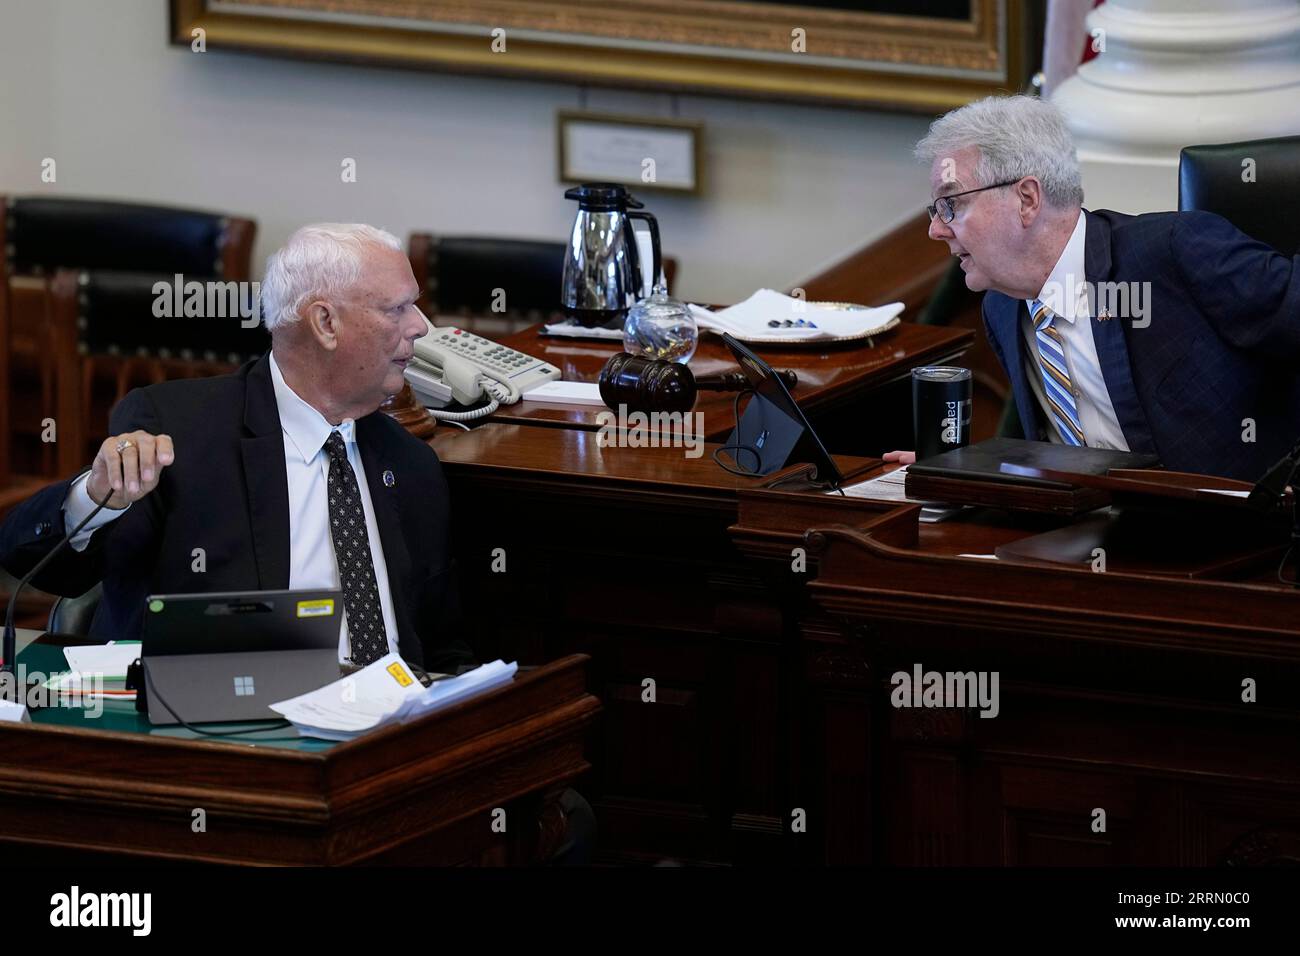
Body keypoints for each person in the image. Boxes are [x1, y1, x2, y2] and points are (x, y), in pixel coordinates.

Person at [0, 222, 594, 863]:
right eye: (398, 309)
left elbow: (440, 642)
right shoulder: (179, 430)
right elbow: (32, 564)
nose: (422, 328)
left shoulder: (412, 467)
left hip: (388, 748)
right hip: (241, 749)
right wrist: (97, 494)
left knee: (556, 818)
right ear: (325, 323)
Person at [886, 95, 1299, 481]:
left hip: (1237, 535)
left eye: (951, 205)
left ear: (1027, 199)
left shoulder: (1174, 253)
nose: (935, 229)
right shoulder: (1003, 307)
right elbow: (1051, 458)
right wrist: (962, 470)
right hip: (1094, 534)